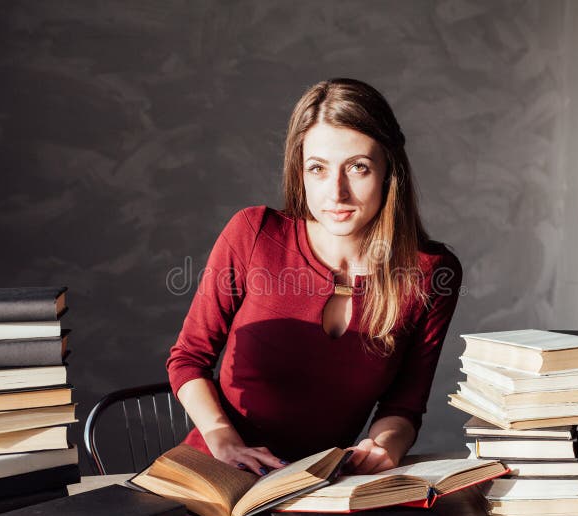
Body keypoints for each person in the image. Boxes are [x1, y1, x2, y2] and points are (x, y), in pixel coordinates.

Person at [167, 78, 462, 477]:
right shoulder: (253, 234)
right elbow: (188, 359)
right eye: (317, 169)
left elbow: (403, 407)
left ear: (389, 170)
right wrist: (223, 438)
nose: (336, 193)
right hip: (217, 472)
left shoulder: (430, 273)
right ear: (299, 171)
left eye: (358, 168)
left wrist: (384, 446)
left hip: (319, 485)